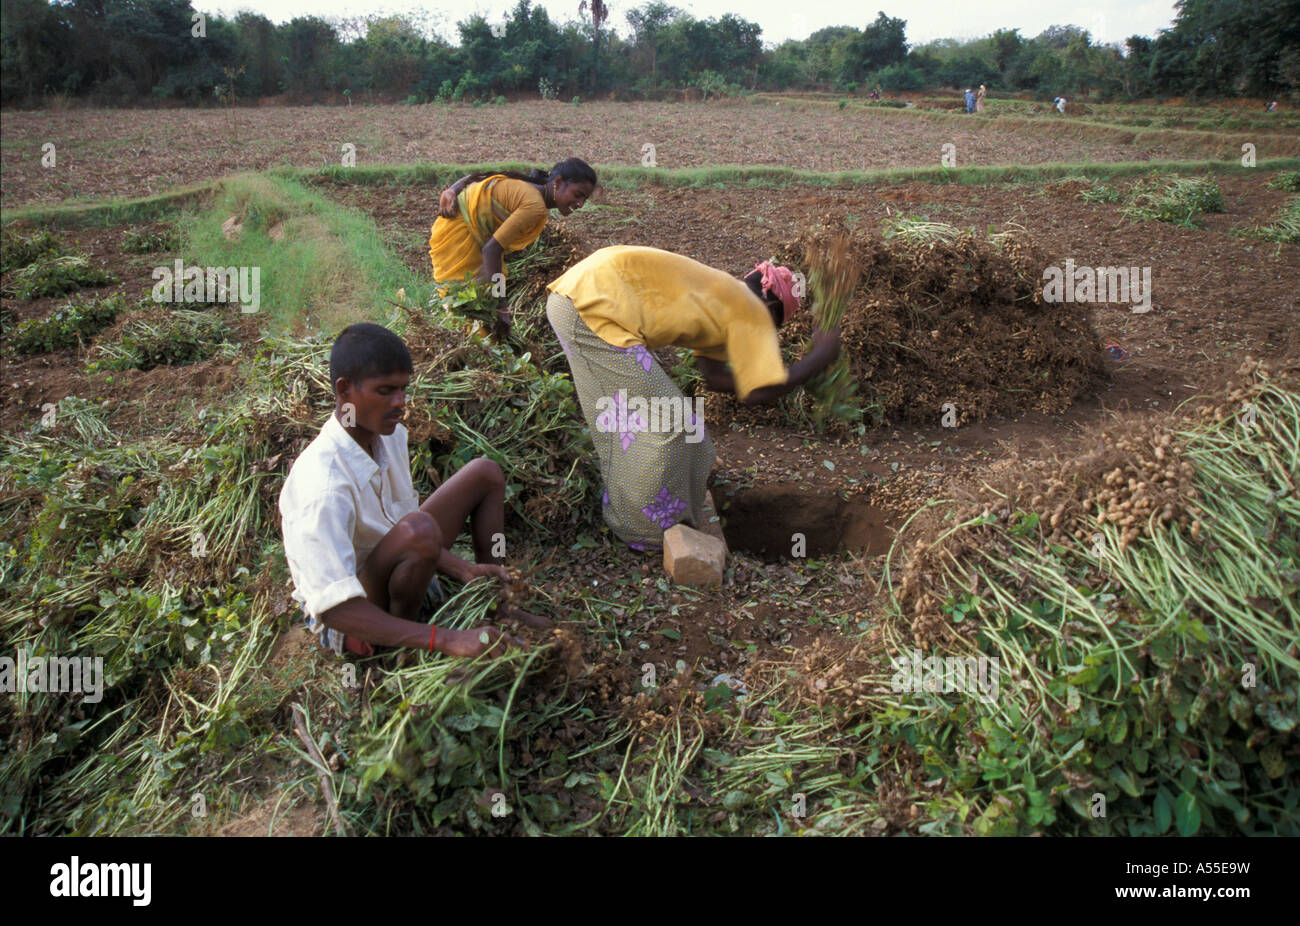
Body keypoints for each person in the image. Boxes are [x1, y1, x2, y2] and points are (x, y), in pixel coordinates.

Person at [545, 246, 843, 550]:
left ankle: (654, 512)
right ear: (770, 310)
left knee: (670, 432)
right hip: (592, 309)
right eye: (773, 327)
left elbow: (715, 378)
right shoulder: (751, 308)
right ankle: (643, 531)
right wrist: (820, 356)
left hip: (579, 297)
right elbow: (759, 391)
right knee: (675, 427)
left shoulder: (727, 297)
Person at [279, 322, 547, 659]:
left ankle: (497, 605)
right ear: (345, 390)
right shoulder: (322, 486)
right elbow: (334, 609)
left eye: (404, 389)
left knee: (485, 473)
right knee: (418, 530)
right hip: (352, 616)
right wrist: (446, 639)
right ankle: (397, 649)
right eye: (385, 391)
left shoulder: (390, 437)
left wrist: (463, 569)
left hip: (393, 562)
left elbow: (400, 523)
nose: (400, 402)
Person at [430, 158, 597, 339]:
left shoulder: (530, 188)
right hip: (459, 235)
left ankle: (479, 347)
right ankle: (470, 349)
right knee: (463, 304)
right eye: (577, 194)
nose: (580, 204)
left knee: (483, 296)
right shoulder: (535, 207)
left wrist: (452, 189)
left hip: (470, 235)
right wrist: (501, 307)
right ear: (557, 183)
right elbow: (491, 251)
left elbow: (474, 177)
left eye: (584, 199)